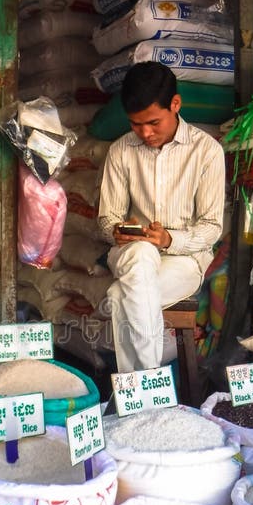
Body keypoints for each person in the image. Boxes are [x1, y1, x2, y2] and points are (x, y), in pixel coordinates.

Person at [97, 61, 225, 372]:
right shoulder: (120, 151)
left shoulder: (206, 151)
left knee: (119, 296)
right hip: (131, 254)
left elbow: (212, 228)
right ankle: (150, 381)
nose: (145, 132)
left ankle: (136, 385)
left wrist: (169, 239)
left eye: (153, 122)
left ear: (176, 104)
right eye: (135, 124)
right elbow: (105, 220)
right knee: (140, 253)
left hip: (185, 261)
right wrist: (118, 232)